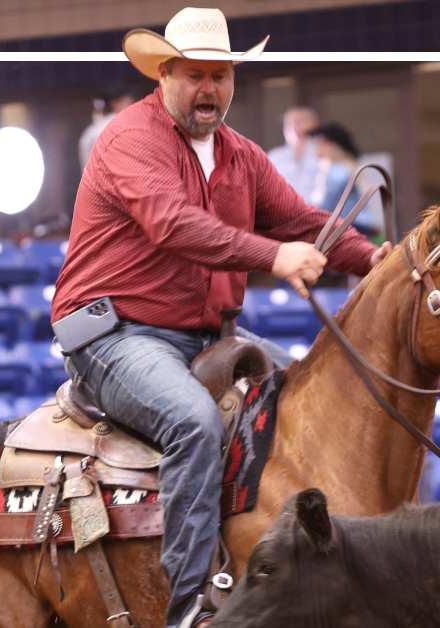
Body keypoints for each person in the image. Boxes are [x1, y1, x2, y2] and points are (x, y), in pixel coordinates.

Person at [52, 8, 391, 628]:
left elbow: (304, 221)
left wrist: (376, 259)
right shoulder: (130, 140)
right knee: (193, 422)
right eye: (195, 75)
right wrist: (272, 255)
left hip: (204, 337)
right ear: (166, 75)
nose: (209, 88)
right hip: (113, 333)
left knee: (312, 395)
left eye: (221, 75)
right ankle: (191, 609)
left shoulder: (243, 157)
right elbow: (175, 224)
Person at [309, 123, 376, 235]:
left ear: (330, 145)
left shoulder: (338, 172)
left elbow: (325, 207)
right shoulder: (344, 168)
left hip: (347, 232)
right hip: (353, 231)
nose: (316, 145)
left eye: (321, 141)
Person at [78, 83, 138, 173]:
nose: (134, 107)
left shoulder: (90, 131)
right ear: (115, 103)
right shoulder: (123, 127)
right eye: (129, 103)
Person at [266, 107, 320, 200]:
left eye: (300, 122)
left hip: (323, 211)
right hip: (286, 212)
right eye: (289, 123)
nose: (294, 127)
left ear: (313, 125)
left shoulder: (325, 153)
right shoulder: (274, 157)